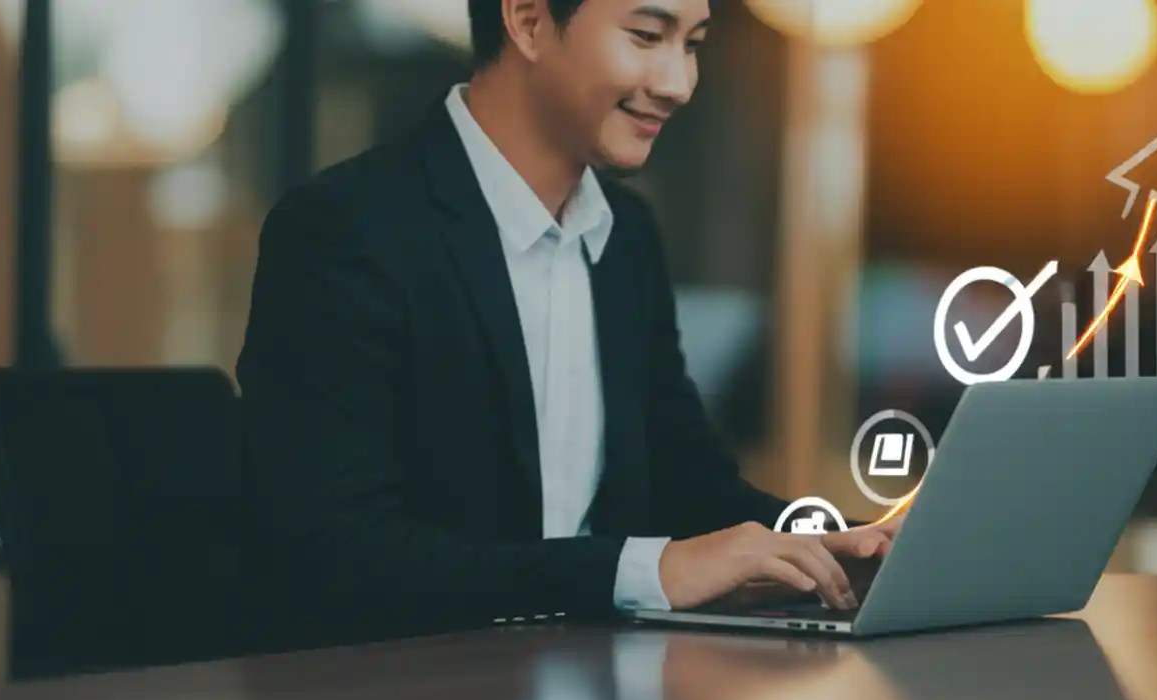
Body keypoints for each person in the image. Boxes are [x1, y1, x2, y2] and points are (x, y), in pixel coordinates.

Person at [237, 0, 899, 650]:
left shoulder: (626, 235)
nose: (679, 84)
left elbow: (689, 487)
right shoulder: (346, 231)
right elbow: (335, 553)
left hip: (598, 678)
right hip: (406, 687)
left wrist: (840, 544)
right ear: (528, 22)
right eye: (647, 35)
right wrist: (643, 573)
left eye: (692, 44)